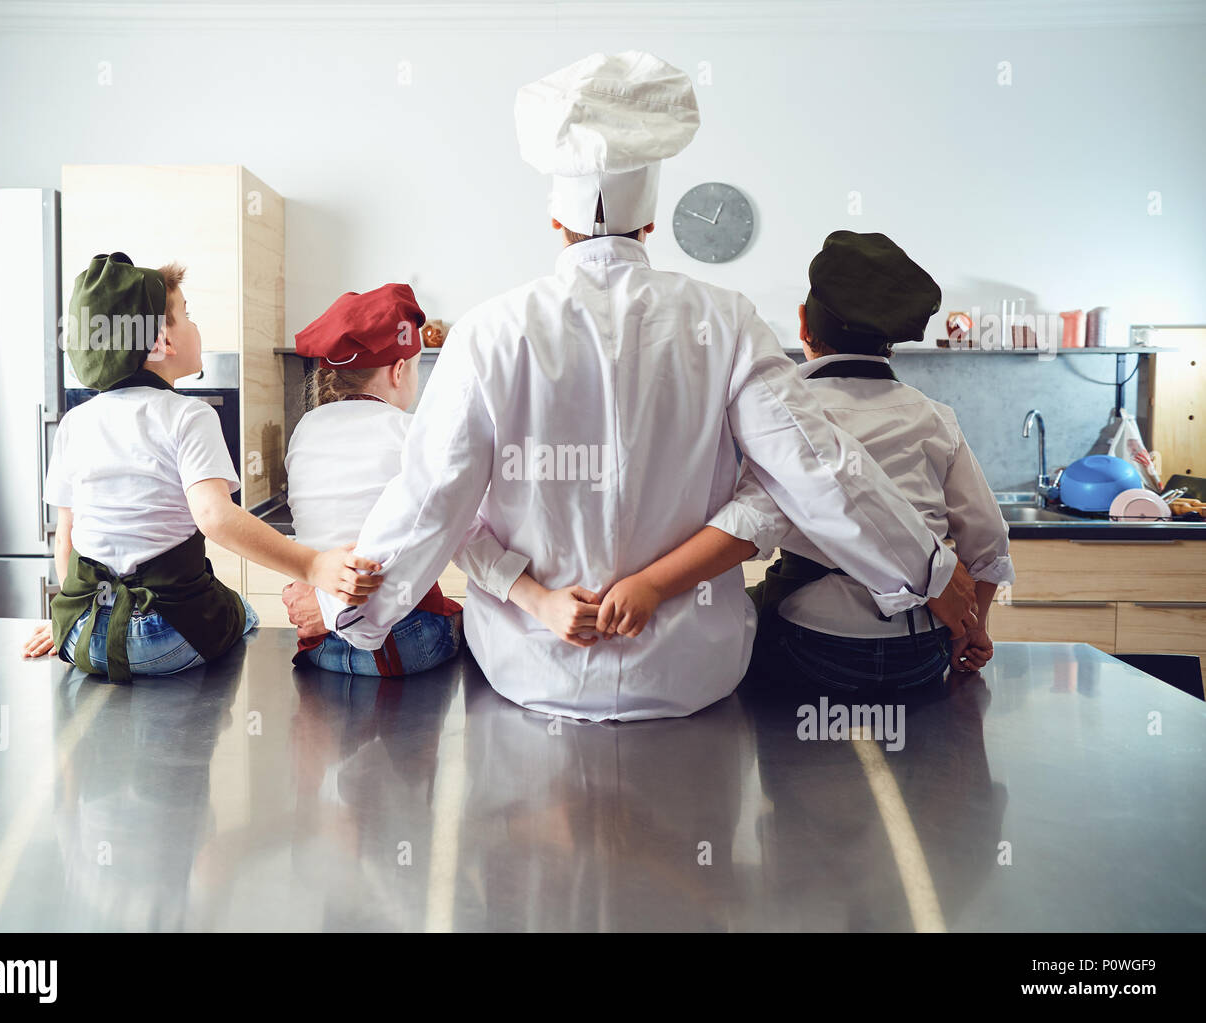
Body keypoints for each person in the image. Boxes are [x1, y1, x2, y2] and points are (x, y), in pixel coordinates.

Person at [313, 51, 977, 722]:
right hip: (692, 679)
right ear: (652, 220)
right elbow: (815, 466)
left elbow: (433, 494)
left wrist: (354, 608)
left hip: (529, 677)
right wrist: (930, 573)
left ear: (555, 219)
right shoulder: (725, 320)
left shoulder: (487, 332)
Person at [597, 231, 1013, 697]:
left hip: (812, 651)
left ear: (803, 325)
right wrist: (973, 629)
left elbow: (751, 523)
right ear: (891, 341)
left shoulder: (779, 412)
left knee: (736, 625)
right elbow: (990, 542)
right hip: (920, 653)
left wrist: (652, 584)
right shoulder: (936, 417)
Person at [21, 252, 361, 680]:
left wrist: (68, 623)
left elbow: (66, 541)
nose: (197, 326)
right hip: (166, 637)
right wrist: (313, 566)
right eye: (187, 314)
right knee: (245, 611)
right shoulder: (188, 415)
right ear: (162, 341)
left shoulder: (74, 423)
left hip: (82, 637)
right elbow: (216, 517)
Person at [280, 283, 603, 675]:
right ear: (399, 371)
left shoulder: (305, 429)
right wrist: (536, 599)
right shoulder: (409, 432)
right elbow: (460, 530)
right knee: (470, 621)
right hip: (401, 644)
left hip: (317, 645)